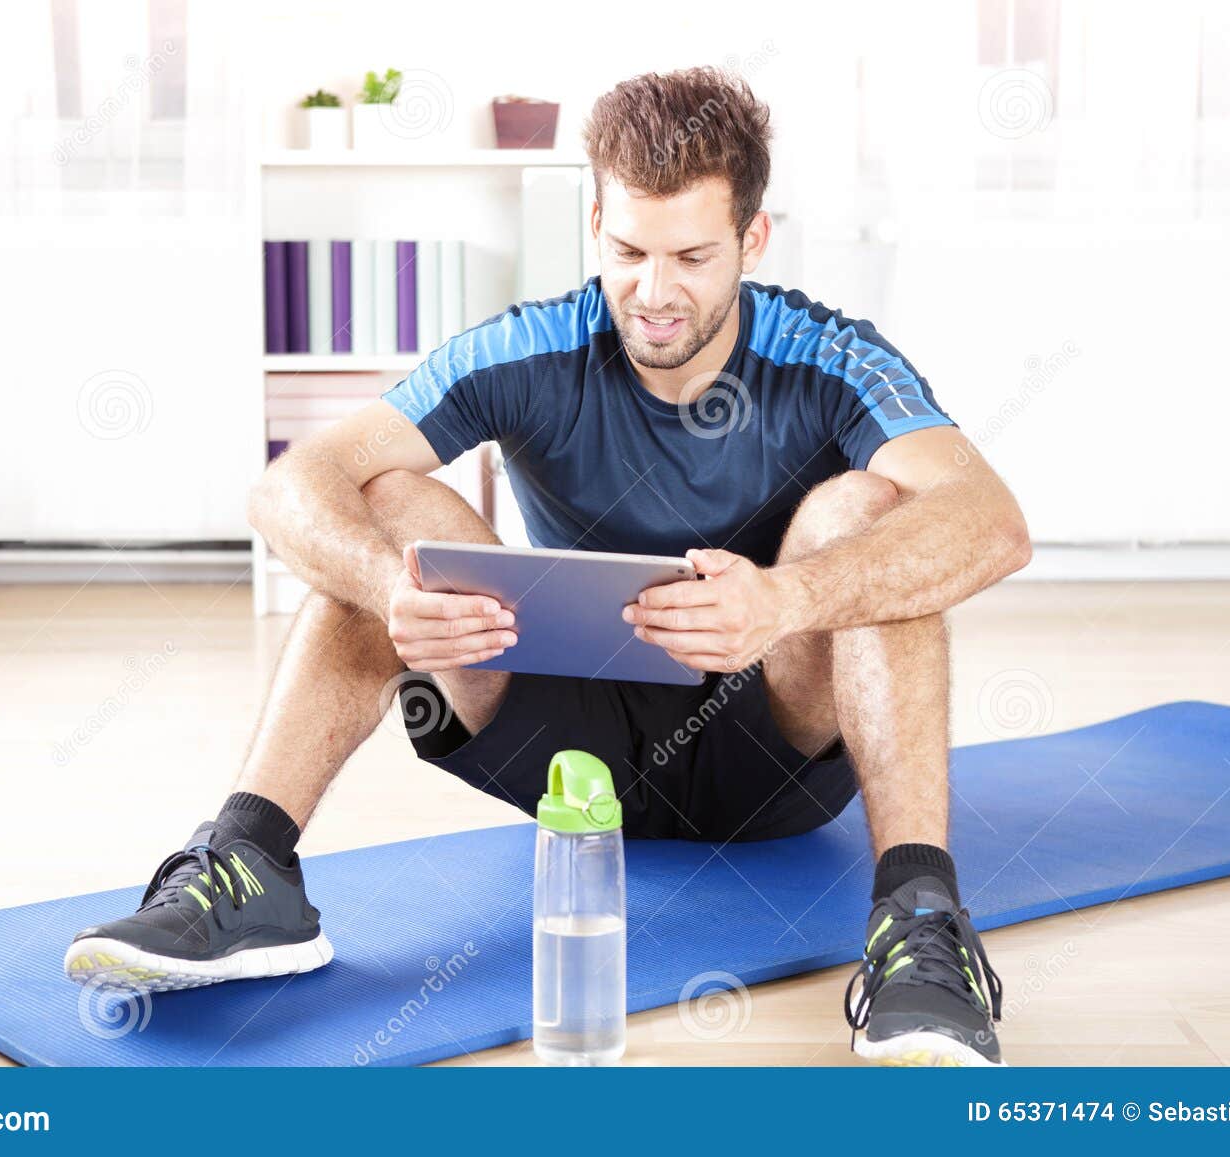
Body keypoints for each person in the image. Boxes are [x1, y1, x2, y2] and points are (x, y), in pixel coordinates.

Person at [65, 66, 1031, 1067]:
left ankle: (919, 923)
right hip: (573, 757)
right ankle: (251, 862)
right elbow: (290, 485)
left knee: (869, 515)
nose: (654, 292)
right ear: (596, 224)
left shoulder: (832, 356)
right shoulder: (531, 347)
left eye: (693, 257)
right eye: (629, 251)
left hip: (771, 752)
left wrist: (787, 597)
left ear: (753, 240)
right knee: (385, 510)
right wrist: (392, 587)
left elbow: (991, 523)